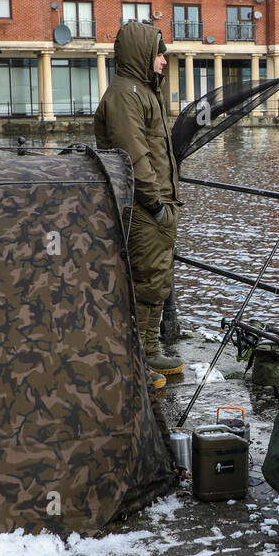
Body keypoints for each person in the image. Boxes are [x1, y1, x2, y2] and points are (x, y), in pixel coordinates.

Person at [94, 21, 184, 389]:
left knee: (155, 281)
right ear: (143, 55)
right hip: (143, 209)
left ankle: (148, 352)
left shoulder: (141, 91)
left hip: (152, 207)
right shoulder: (126, 95)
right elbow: (135, 156)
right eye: (159, 54)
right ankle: (137, 361)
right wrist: (158, 204)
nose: (163, 61)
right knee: (144, 283)